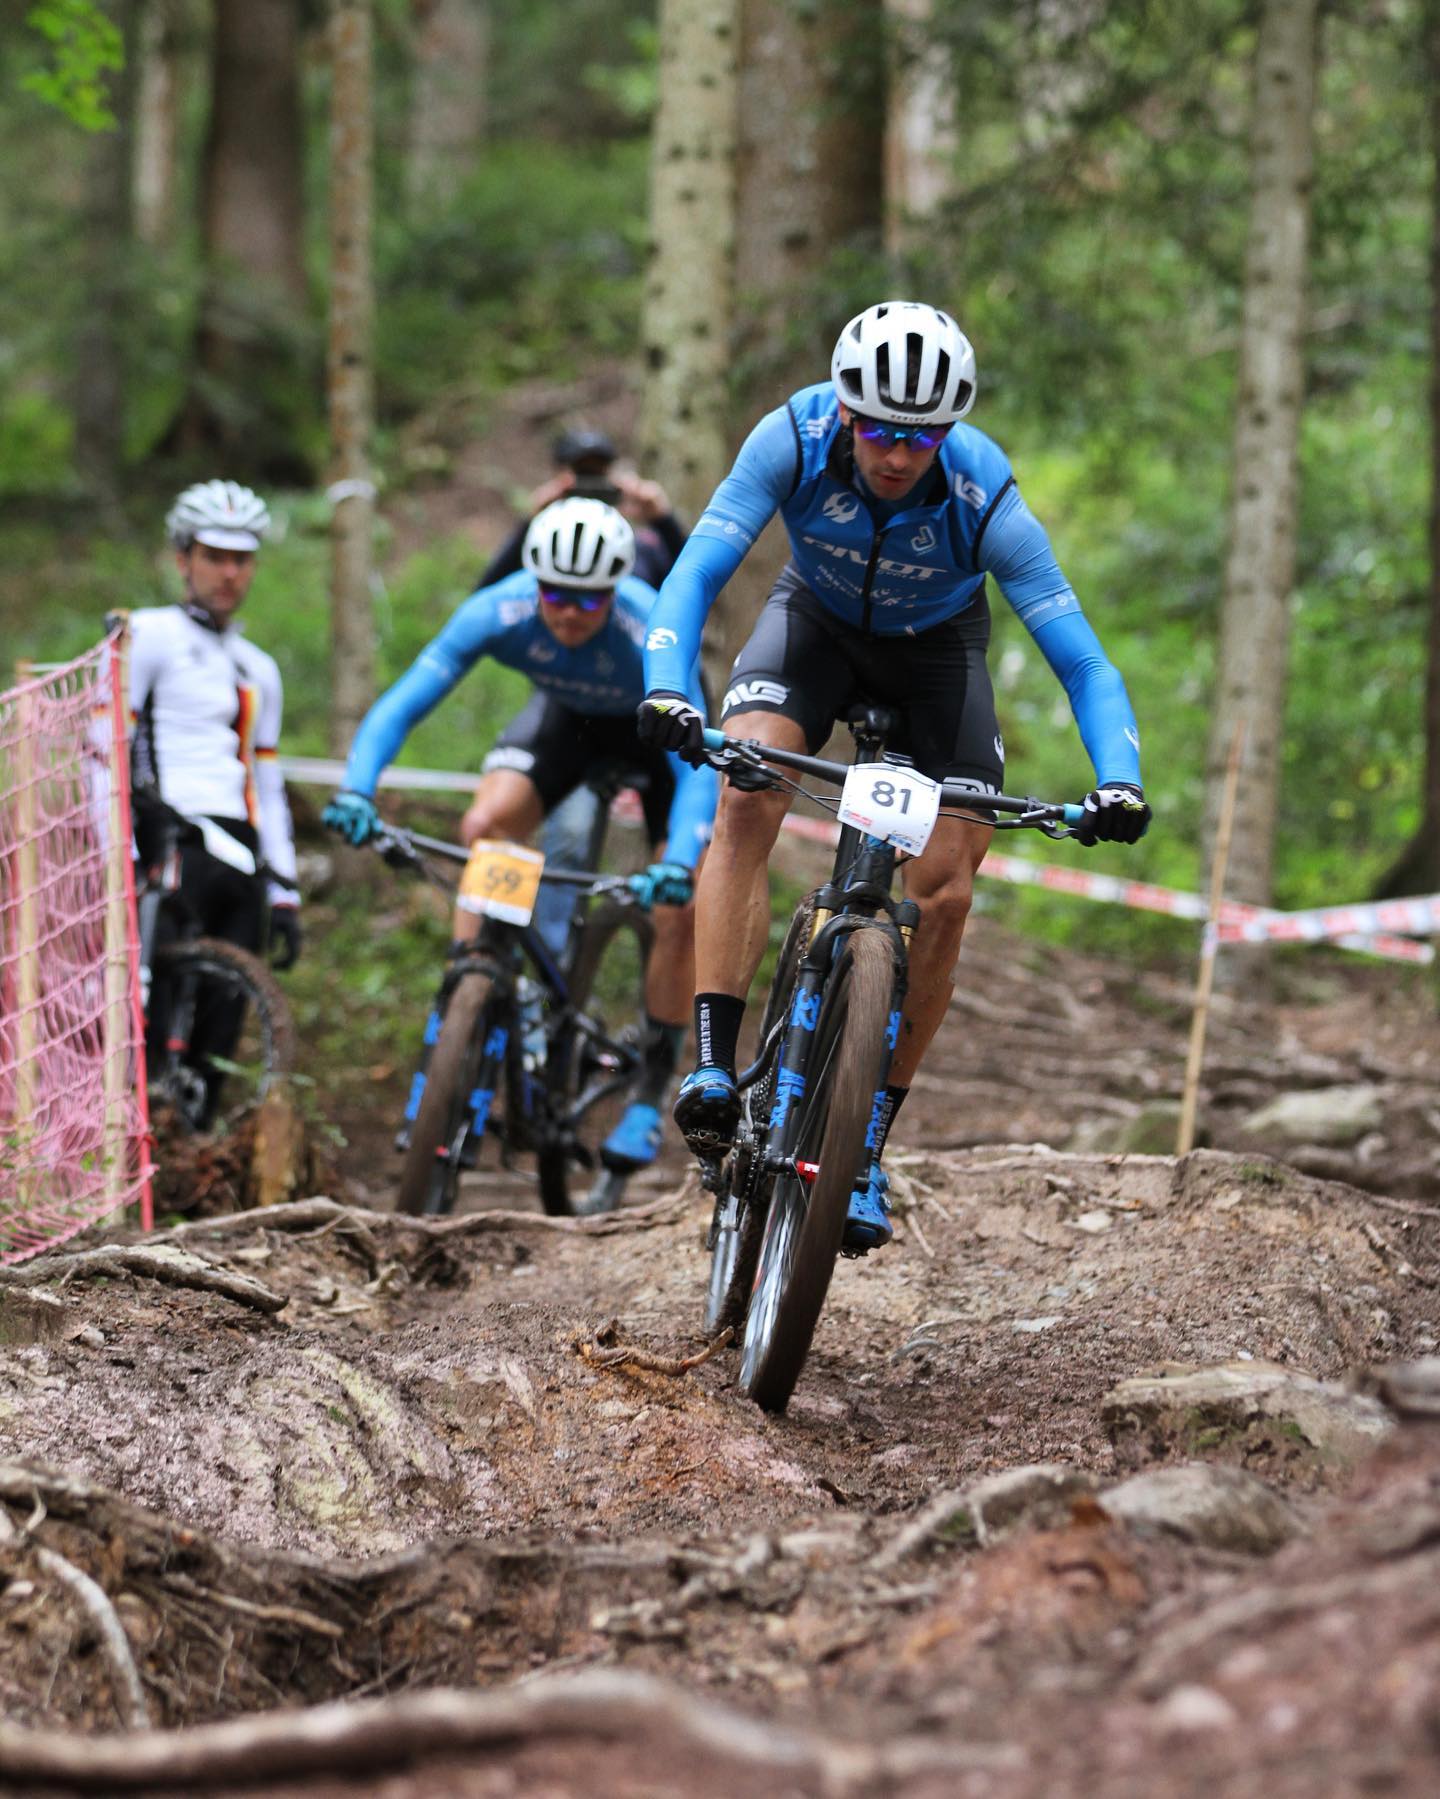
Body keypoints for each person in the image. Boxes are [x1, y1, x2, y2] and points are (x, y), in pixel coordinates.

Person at [638, 300, 1150, 1252]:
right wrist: (669, 688)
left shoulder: (981, 491)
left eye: (922, 435)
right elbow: (696, 570)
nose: (896, 453)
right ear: (842, 410)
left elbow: (1083, 661)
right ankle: (711, 1063)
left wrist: (1117, 778)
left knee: (948, 890)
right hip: (814, 629)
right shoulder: (789, 437)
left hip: (936, 658)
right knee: (744, 784)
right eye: (875, 427)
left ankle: (866, 1142)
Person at [323, 496, 718, 1177]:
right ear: (534, 579)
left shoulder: (646, 625)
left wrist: (681, 859)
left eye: (587, 600)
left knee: (679, 906)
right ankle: (470, 994)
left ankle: (649, 1096)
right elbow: (405, 700)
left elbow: (697, 770)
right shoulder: (498, 610)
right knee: (487, 826)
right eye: (554, 594)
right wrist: (357, 787)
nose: (567, 611)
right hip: (569, 723)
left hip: (659, 735)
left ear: (613, 592)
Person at [478, 429, 690, 959]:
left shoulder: (639, 544)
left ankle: (657, 1023)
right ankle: (537, 978)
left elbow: (694, 589)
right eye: (577, 476)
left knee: (678, 881)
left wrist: (661, 518)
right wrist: (532, 518)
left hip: (648, 716)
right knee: (564, 844)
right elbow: (489, 599)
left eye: (600, 473)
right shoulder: (543, 546)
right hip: (573, 714)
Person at [129, 481, 302, 1111]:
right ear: (183, 558)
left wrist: (285, 891)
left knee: (226, 1013)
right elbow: (106, 749)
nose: (228, 572)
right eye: (213, 556)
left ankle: (197, 1134)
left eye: (242, 559)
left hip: (243, 848)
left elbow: (267, 781)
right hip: (170, 831)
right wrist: (112, 845)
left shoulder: (258, 667)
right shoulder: (147, 635)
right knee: (156, 1001)